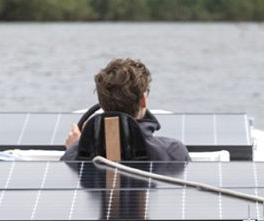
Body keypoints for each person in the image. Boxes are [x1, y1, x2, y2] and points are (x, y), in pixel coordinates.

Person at [61, 58, 189, 162]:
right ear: (143, 99)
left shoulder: (74, 156)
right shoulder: (174, 151)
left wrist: (76, 147)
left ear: (102, 103)